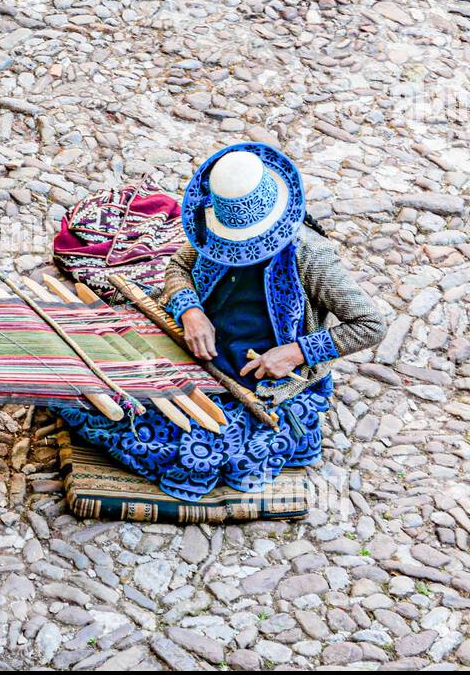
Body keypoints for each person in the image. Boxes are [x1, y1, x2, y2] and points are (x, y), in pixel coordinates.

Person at [53, 142, 387, 501]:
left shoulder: (311, 254)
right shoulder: (213, 229)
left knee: (204, 449)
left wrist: (294, 352)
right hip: (195, 353)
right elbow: (179, 266)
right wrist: (190, 312)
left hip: (260, 380)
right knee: (103, 398)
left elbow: (370, 325)